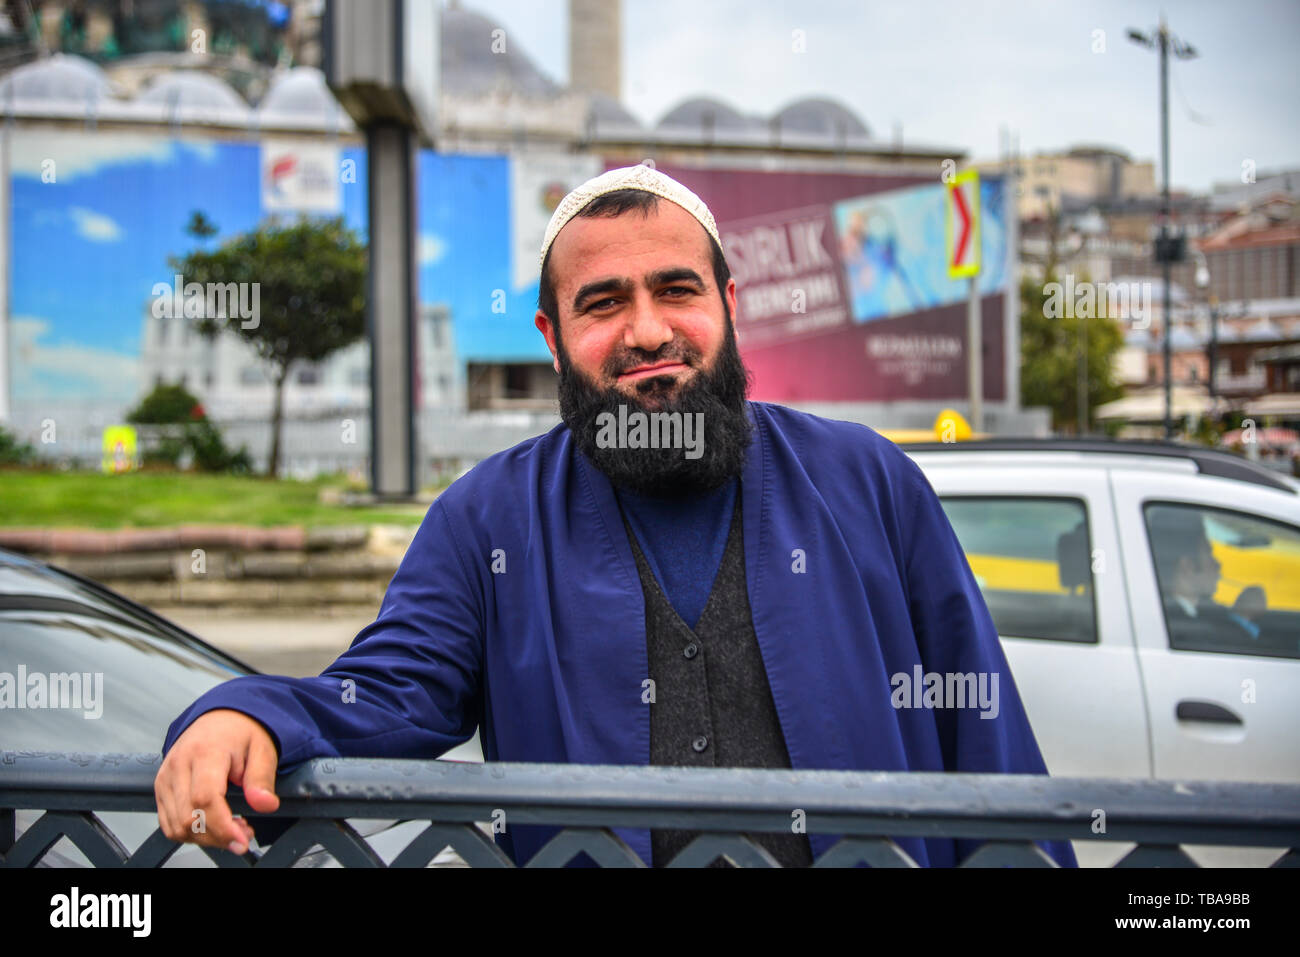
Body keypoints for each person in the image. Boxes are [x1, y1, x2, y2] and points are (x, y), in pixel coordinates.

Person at [155, 165, 1076, 868]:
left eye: (676, 289)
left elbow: (985, 741)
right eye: (603, 303)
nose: (645, 330)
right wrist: (252, 712)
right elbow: (394, 689)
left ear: (728, 307)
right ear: (553, 340)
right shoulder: (486, 521)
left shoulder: (868, 481)